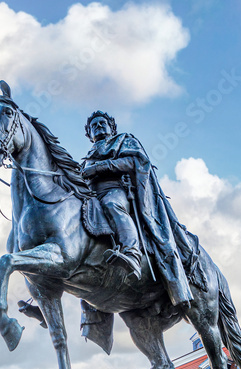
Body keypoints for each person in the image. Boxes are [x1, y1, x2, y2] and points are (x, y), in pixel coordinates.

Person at [80, 111, 206, 306]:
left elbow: (136, 162)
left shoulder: (124, 140)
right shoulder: (87, 157)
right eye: (93, 125)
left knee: (113, 205)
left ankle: (131, 252)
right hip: (92, 196)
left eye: (102, 123)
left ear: (111, 127)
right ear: (88, 133)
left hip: (117, 190)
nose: (97, 126)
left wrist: (98, 168)